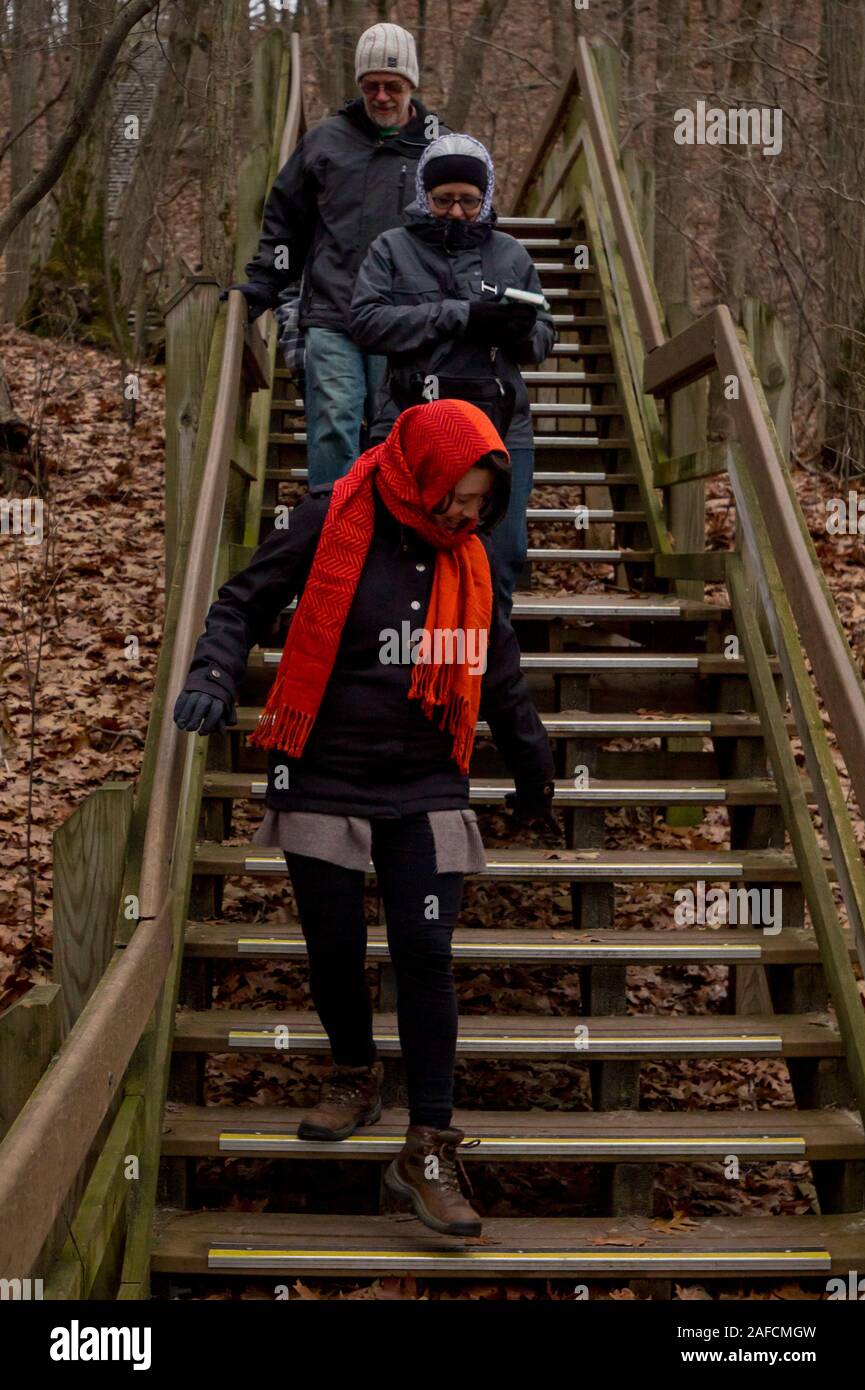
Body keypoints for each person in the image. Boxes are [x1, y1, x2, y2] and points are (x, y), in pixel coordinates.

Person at [173, 399, 559, 1238]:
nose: (469, 514)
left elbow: (500, 677)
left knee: (425, 950)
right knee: (335, 945)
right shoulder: (329, 518)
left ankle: (427, 1146)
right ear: (421, 470)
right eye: (460, 497)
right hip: (322, 769)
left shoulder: (476, 561)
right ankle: (353, 1067)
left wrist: (536, 775)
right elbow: (242, 600)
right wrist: (212, 673)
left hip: (425, 780)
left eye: (483, 502)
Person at [224, 22, 450, 488]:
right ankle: (333, 531)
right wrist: (264, 284)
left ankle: (391, 543)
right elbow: (286, 222)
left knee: (398, 434)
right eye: (371, 87)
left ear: (411, 85)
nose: (382, 96)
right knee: (333, 422)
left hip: (405, 317)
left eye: (393, 86)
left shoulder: (439, 147)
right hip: (333, 311)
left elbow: (468, 225)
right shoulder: (325, 141)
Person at [350, 132, 556, 617]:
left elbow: (545, 338)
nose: (457, 212)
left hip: (501, 429)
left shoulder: (512, 255)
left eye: (469, 200)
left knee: (499, 558)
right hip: (406, 421)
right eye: (444, 200)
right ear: (424, 195)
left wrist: (519, 332)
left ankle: (485, 674)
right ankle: (401, 677)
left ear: (486, 199)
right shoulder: (390, 249)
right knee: (400, 557)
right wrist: (458, 315)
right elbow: (365, 323)